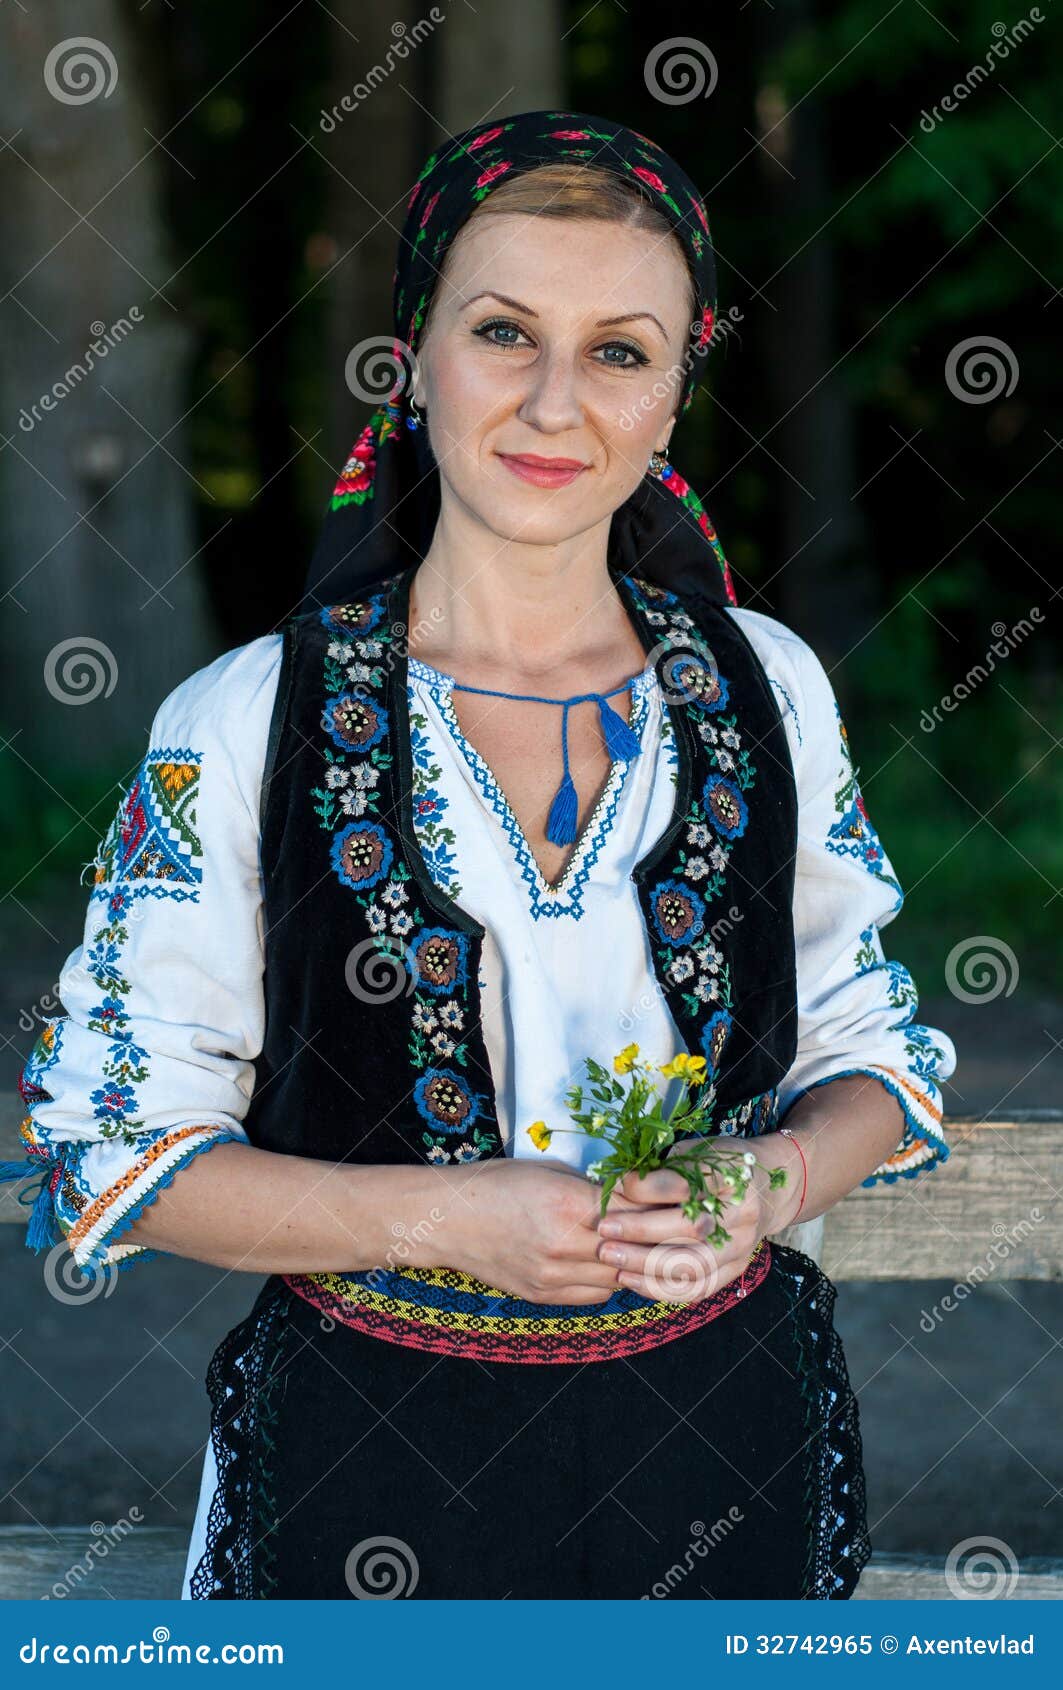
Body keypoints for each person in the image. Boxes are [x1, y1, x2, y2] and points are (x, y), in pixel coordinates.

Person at [5, 110, 956, 1601]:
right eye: (504, 330)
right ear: (413, 358)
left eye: (621, 350)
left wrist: (767, 1179)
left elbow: (874, 1053)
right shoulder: (251, 718)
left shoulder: (769, 687)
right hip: (362, 1470)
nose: (556, 401)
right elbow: (115, 1145)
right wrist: (454, 1217)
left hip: (724, 1463)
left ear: (676, 393)